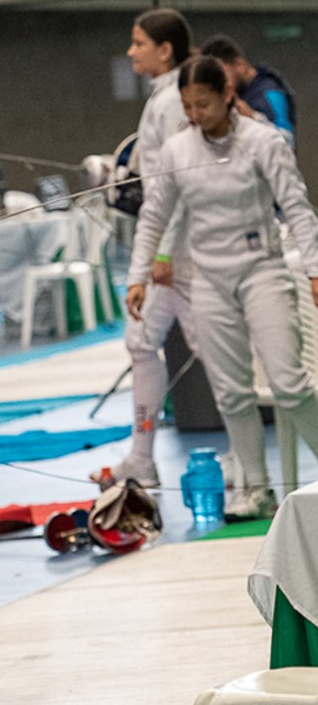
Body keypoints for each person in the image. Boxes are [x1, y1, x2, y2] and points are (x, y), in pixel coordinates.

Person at [127, 55, 318, 521]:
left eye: (205, 105)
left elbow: (297, 206)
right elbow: (155, 215)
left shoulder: (263, 141)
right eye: (188, 106)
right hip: (209, 279)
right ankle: (256, 489)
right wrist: (137, 275)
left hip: (262, 271)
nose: (196, 115)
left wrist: (315, 269)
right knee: (231, 393)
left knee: (289, 384)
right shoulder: (177, 151)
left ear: (227, 96)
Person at [94, 8, 198, 489]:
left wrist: (162, 254)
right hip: (170, 251)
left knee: (216, 355)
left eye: (139, 43)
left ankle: (248, 466)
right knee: (141, 342)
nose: (131, 51)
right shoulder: (163, 97)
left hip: (184, 254)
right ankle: (140, 459)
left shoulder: (174, 101)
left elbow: (178, 184)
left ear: (165, 49)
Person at [200, 34, 297, 151]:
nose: (217, 83)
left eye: (220, 75)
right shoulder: (240, 92)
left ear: (239, 65)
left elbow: (286, 142)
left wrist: (254, 118)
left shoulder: (269, 94)